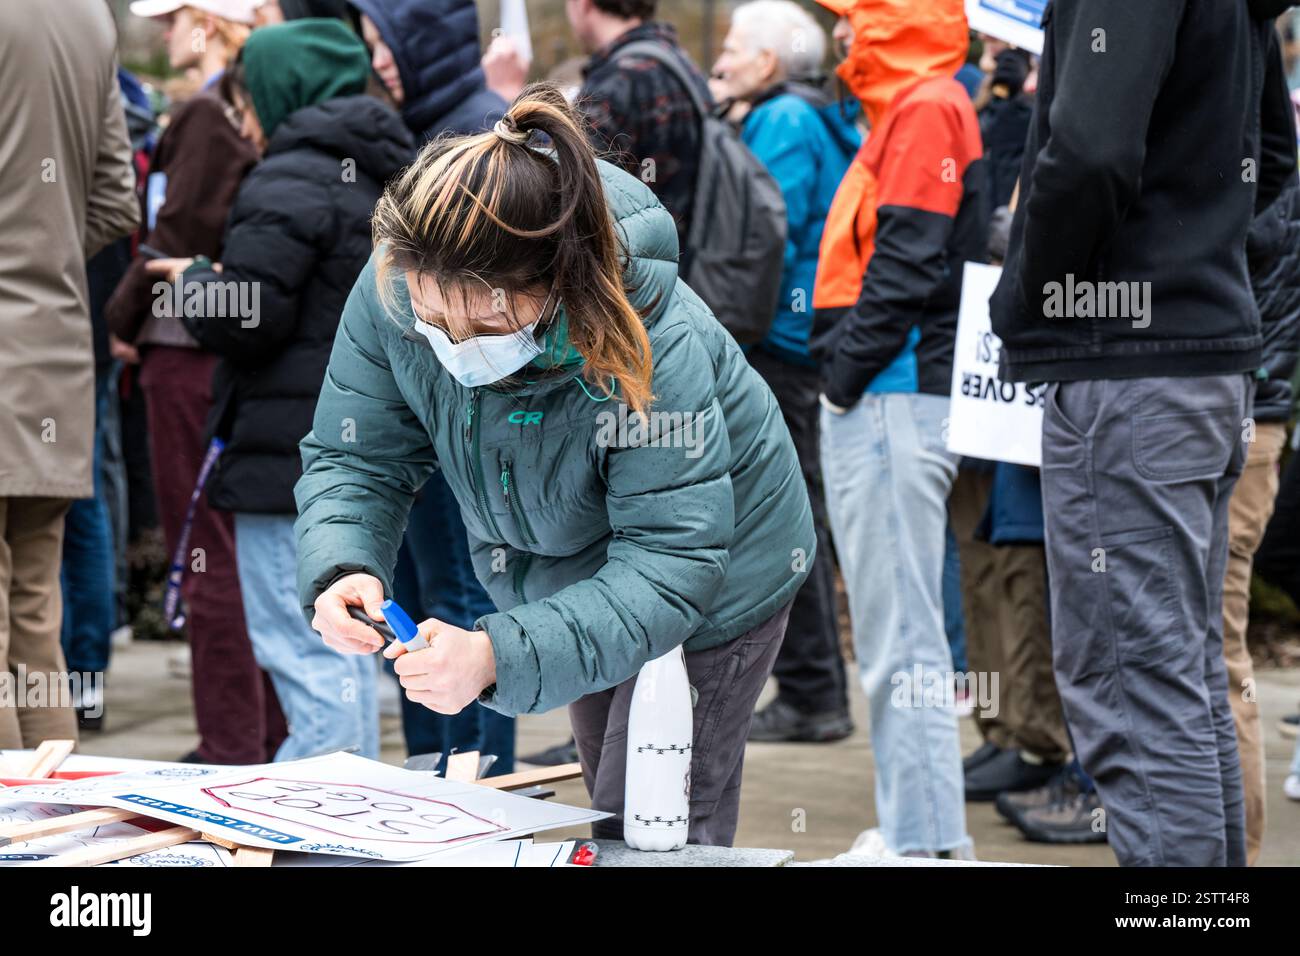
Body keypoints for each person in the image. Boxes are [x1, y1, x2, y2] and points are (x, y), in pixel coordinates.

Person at [296, 85, 814, 846]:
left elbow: (672, 560)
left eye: (490, 320)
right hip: (571, 563)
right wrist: (344, 561)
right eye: (434, 317)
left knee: (652, 823)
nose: (457, 344)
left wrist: (495, 654)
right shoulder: (393, 287)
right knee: (609, 806)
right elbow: (357, 452)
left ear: (558, 283)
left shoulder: (650, 341)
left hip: (719, 576)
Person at [990, 0, 1297, 867]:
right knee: (1181, 684)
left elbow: (1088, 151)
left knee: (1140, 690)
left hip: (1131, 369)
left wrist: (1028, 297)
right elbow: (1273, 158)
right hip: (1193, 362)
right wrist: (1198, 258)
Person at [145, 19, 413, 761]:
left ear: (278, 92)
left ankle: (321, 825)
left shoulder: (291, 173)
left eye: (249, 100)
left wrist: (194, 283)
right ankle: (347, 812)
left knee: (304, 653)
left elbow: (253, 314)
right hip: (364, 449)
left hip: (283, 457)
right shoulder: (388, 169)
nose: (245, 119)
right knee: (342, 654)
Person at [810, 0, 988, 859]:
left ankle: (921, 845)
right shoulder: (917, 106)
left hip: (888, 400)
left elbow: (910, 257)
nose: (840, 32)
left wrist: (843, 385)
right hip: (887, 397)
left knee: (902, 639)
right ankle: (925, 836)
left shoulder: (924, 107)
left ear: (891, 21)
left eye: (854, 15)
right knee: (901, 634)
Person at [107, 0, 288, 765]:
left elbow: (169, 242)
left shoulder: (208, 118)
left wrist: (120, 318)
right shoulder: (230, 112)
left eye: (174, 17)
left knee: (204, 547)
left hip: (185, 353)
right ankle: (260, 734)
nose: (161, 32)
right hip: (206, 347)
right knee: (231, 549)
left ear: (208, 24)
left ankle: (232, 742)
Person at [348, 0, 516, 773]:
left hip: (470, 417)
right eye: (372, 43)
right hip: (423, 413)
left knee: (465, 597)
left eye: (388, 41)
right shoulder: (416, 129)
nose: (377, 57)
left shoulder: (483, 136)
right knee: (411, 600)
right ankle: (429, 773)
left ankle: (479, 770)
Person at [708, 0, 857, 744]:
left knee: (784, 519)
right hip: (800, 345)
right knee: (796, 515)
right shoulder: (805, 115)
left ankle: (813, 693)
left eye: (733, 49)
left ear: (768, 61)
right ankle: (811, 689)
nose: (722, 61)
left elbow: (765, 229)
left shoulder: (782, 123)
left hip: (781, 349)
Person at [0, 0, 139, 747]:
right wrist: (39, 258)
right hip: (54, 348)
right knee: (34, 618)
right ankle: (43, 832)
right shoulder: (90, 16)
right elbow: (116, 199)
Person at [1222, 32, 1300, 864]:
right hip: (1244, 407)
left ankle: (1227, 864)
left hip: (1245, 412)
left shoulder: (1258, 170)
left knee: (1216, 646)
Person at [569, 0, 712, 249]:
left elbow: (570, 198)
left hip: (631, 275)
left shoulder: (611, 82)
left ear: (583, 4)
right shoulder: (683, 66)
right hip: (689, 270)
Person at [348, 0, 508, 140]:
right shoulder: (420, 127)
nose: (377, 63)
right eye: (371, 48)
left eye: (388, 43)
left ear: (427, 41)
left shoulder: (483, 132)